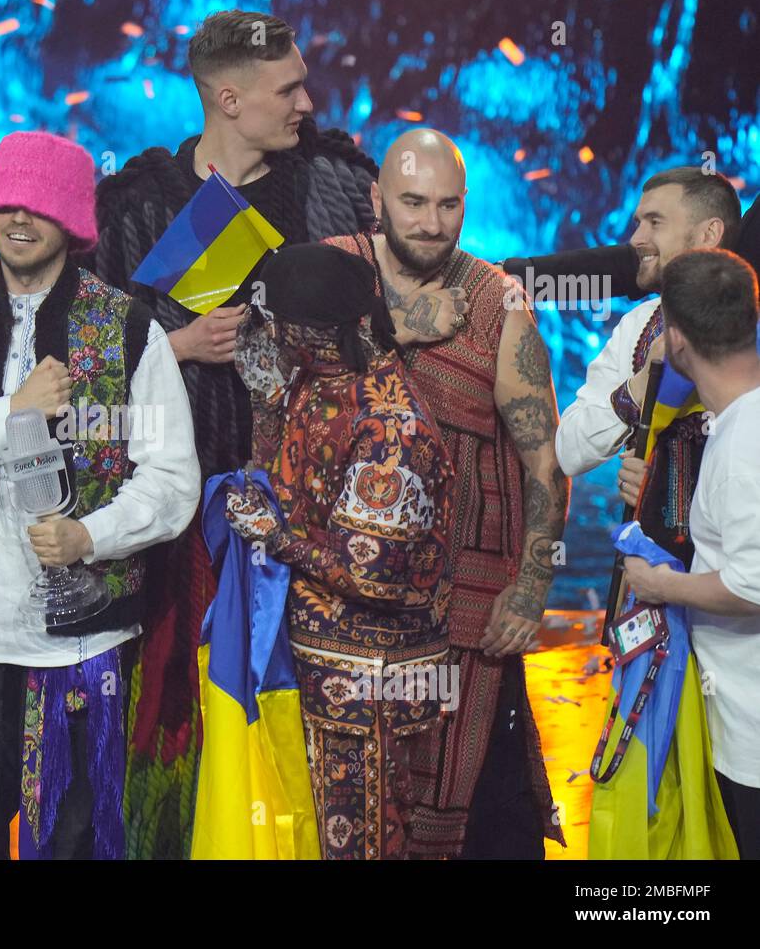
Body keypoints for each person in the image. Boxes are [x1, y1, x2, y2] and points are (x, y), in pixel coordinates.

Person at [92, 8, 466, 858]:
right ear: (228, 97)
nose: (307, 100)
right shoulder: (139, 204)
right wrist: (175, 345)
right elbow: (76, 355)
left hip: (325, 534)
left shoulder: (337, 180)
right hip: (180, 529)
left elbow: (414, 280)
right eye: (287, 88)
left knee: (317, 750)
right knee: (186, 729)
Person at [0, 131, 199, 859]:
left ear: (73, 222)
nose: (18, 219)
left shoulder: (128, 330)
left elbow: (175, 478)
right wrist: (12, 415)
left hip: (83, 649)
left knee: (76, 844)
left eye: (37, 205)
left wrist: (94, 536)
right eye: (4, 204)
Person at [324, 127, 569, 858]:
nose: (431, 222)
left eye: (449, 205)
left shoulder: (500, 305)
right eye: (413, 202)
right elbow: (274, 383)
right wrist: (392, 325)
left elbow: (545, 465)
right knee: (347, 801)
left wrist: (531, 587)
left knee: (474, 811)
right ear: (376, 200)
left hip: (465, 607)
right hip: (340, 608)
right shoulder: (330, 275)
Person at [225, 242, 456, 858]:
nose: (266, 327)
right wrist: (266, 399)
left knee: (359, 843)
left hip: (368, 682)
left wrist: (271, 537)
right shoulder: (315, 380)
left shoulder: (392, 426)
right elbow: (283, 476)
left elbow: (369, 569)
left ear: (316, 330)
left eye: (276, 320)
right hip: (312, 663)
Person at [624, 248, 760, 860]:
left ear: (676, 339)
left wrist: (660, 586)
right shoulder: (737, 423)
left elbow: (751, 585)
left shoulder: (743, 444)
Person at [555, 167, 742, 563]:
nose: (636, 239)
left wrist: (662, 486)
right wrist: (641, 385)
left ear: (709, 234)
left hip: (740, 600)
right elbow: (569, 451)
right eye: (638, 223)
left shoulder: (752, 326)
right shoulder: (637, 327)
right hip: (647, 600)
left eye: (655, 223)